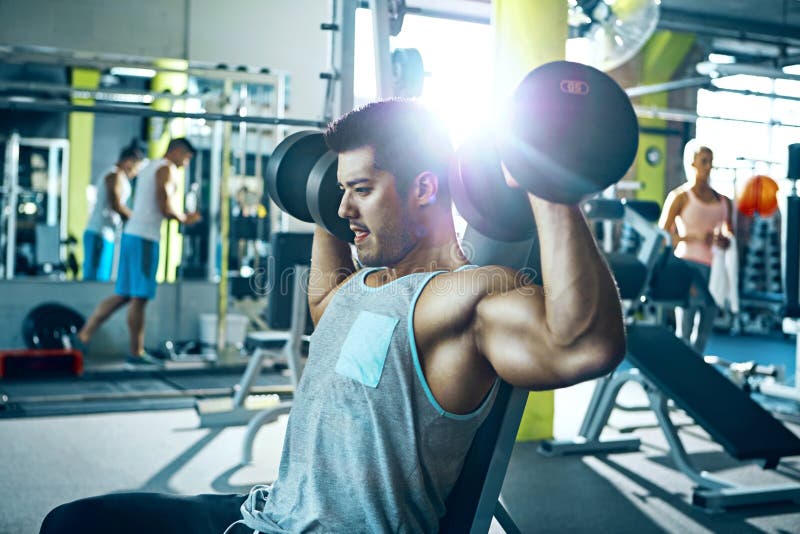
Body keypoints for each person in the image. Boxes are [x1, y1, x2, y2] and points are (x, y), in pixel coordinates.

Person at [41, 101, 625, 533]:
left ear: (424, 188)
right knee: (73, 524)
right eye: (340, 189)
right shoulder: (360, 286)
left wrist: (552, 188)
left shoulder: (468, 294)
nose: (346, 208)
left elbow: (583, 346)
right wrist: (322, 201)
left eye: (362, 189)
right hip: (269, 512)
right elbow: (327, 310)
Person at [75, 138, 201, 367]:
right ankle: (136, 352)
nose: (186, 162)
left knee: (123, 294)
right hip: (145, 238)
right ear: (178, 151)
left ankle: (84, 336)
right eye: (187, 157)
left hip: (131, 235)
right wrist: (185, 218)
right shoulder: (166, 169)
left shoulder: (149, 166)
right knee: (139, 298)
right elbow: (164, 206)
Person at [658, 142, 733, 353]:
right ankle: (681, 368)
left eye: (711, 162)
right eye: (704, 161)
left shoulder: (723, 201)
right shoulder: (680, 197)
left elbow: (730, 236)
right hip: (687, 266)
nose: (708, 166)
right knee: (686, 325)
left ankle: (695, 367)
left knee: (707, 322)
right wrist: (690, 237)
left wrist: (723, 240)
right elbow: (662, 237)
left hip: (714, 268)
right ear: (692, 163)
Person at [82, 140, 145, 281]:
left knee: (102, 278)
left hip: (107, 234)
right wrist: (137, 219)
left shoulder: (120, 177)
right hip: (99, 233)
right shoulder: (114, 175)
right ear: (129, 162)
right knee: (94, 280)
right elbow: (116, 205)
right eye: (136, 168)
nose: (136, 173)